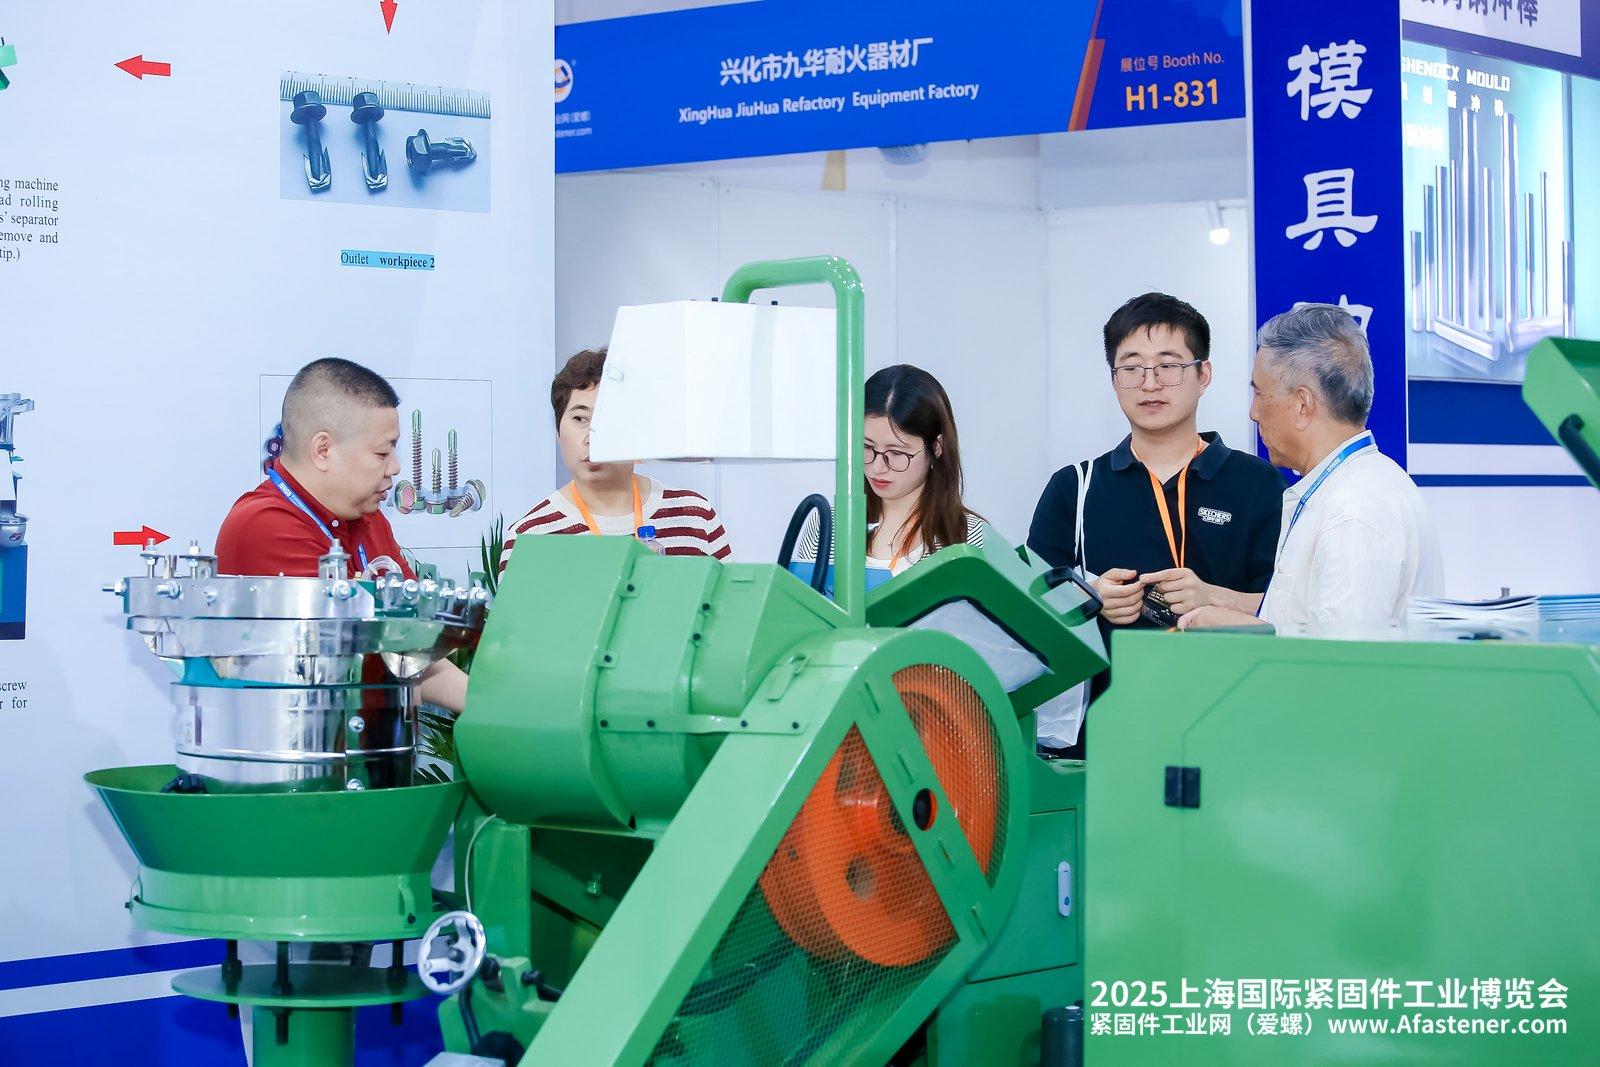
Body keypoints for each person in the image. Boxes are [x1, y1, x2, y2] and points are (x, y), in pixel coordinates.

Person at [1027, 293, 1286, 755]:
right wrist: (1088, 600)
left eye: (1168, 365)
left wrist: (1213, 598)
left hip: (1230, 732)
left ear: (1203, 375)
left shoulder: (1259, 485)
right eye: (1131, 367)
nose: (1150, 383)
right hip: (1103, 741)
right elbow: (1027, 613)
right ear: (1114, 380)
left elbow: (1289, 613)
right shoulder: (1075, 488)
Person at [215, 357, 468, 712]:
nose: (395, 467)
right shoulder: (264, 525)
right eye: (383, 452)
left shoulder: (367, 517)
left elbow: (416, 653)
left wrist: (501, 712)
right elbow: (349, 663)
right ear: (323, 450)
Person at [1179, 304, 1443, 631]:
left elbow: (1343, 656)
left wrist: (1247, 632)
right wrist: (1251, 618)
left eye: (1259, 393)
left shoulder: (1353, 509)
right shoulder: (1354, 487)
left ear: (1303, 404)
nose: (1253, 412)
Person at [499, 348, 732, 574]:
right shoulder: (530, 537)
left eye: (608, 420)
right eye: (580, 418)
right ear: (558, 433)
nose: (592, 437)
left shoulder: (695, 517)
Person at [790, 364, 988, 592]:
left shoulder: (968, 537)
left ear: (937, 447)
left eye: (896, 453)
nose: (877, 467)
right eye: (867, 447)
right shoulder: (826, 525)